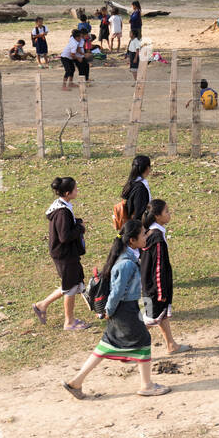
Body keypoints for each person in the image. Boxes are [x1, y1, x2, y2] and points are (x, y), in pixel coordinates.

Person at [62, 219, 171, 399]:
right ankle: (147, 386)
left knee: (106, 345)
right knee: (143, 340)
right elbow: (117, 292)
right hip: (124, 310)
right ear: (132, 241)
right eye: (143, 233)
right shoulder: (126, 263)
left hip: (124, 308)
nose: (147, 235)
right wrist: (109, 311)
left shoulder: (127, 257)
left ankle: (76, 382)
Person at [33, 176, 89, 331]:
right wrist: (80, 228)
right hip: (65, 254)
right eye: (75, 189)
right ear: (67, 193)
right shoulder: (62, 212)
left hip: (64, 253)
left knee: (72, 283)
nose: (77, 191)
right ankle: (69, 322)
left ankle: (41, 305)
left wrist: (76, 223)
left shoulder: (61, 207)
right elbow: (64, 236)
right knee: (70, 287)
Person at [139, 200, 190, 356]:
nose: (169, 214)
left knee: (160, 316)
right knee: (149, 320)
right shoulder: (157, 238)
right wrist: (161, 292)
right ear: (156, 216)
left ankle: (171, 344)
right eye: (166, 211)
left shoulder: (148, 234)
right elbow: (158, 267)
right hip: (155, 289)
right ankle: (125, 346)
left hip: (148, 285)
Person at [122, 155, 153, 222]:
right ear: (147, 168)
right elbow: (139, 211)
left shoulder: (130, 183)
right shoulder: (140, 188)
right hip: (138, 226)